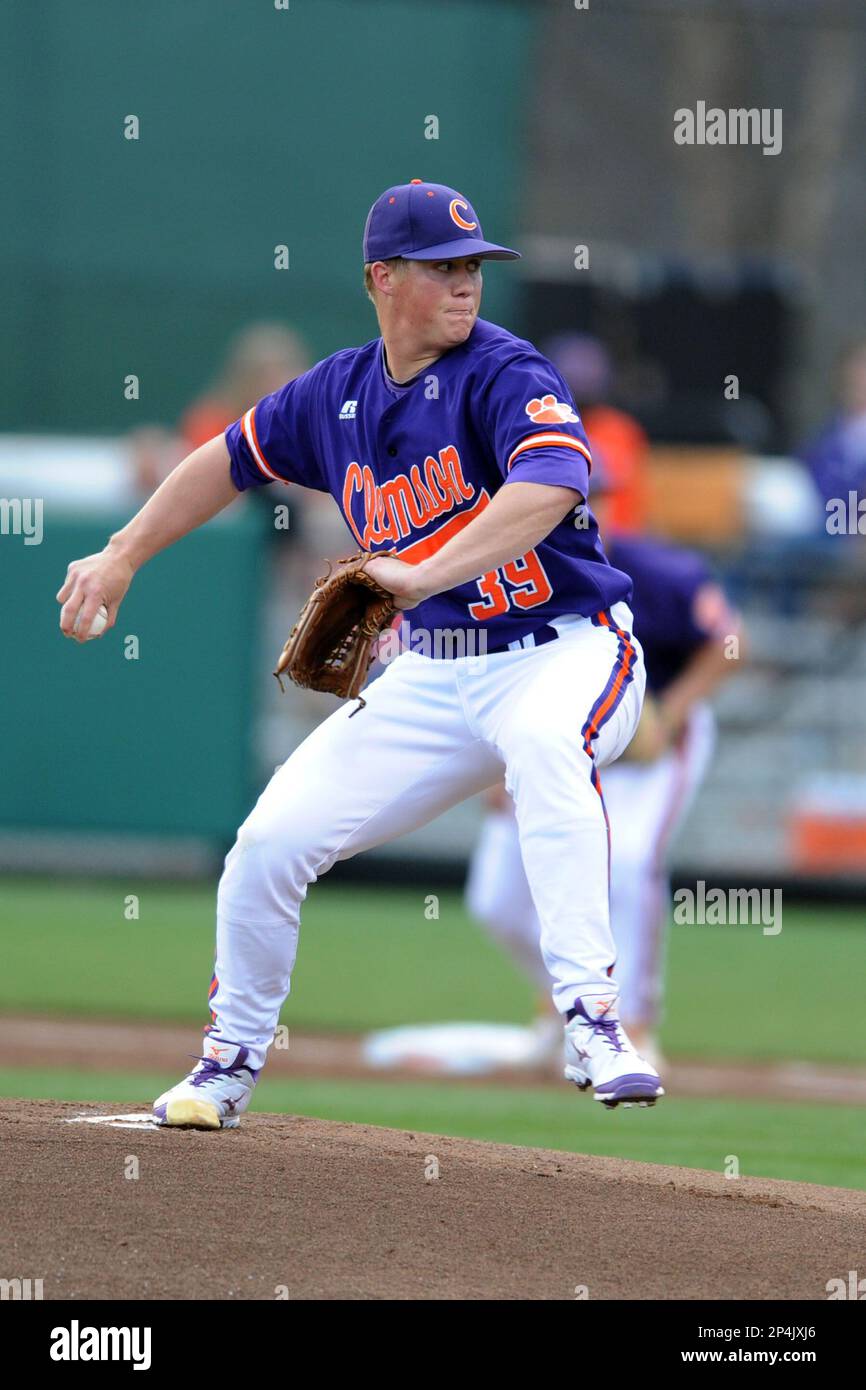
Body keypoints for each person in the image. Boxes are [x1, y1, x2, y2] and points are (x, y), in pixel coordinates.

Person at [57, 179, 662, 1127]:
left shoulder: (508, 372)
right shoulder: (334, 394)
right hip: (435, 673)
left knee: (548, 746)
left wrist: (419, 574)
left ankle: (591, 1019)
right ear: (382, 278)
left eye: (474, 267)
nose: (468, 285)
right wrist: (124, 552)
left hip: (566, 653)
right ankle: (227, 1062)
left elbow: (551, 484)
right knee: (267, 846)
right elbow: (224, 459)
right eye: (443, 268)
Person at [466, 467, 742, 1067]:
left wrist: (671, 710)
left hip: (652, 741)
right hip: (552, 737)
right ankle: (564, 1009)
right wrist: (494, 767)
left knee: (630, 864)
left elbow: (728, 640)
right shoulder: (510, 571)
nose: (593, 511)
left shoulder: (664, 571)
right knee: (496, 897)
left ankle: (634, 1028)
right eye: (581, 499)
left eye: (603, 499)